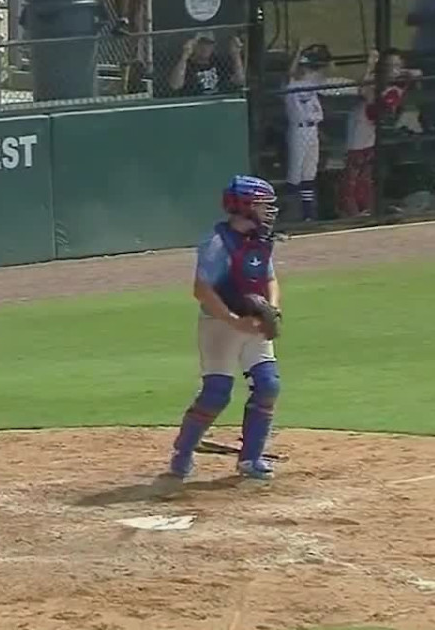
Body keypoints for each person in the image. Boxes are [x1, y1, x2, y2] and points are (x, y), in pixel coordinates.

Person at [151, 175, 282, 497]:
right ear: (244, 207)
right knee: (217, 393)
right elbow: (202, 289)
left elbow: (271, 279)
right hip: (218, 325)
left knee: (268, 385)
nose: (269, 212)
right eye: (263, 205)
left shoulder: (260, 240)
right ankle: (182, 453)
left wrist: (272, 310)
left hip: (252, 325)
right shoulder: (216, 243)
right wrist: (233, 320)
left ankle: (250, 458)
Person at [339, 49, 423, 217]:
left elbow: (417, 74)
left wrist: (401, 72)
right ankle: (353, 212)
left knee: (364, 176)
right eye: (390, 66)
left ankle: (364, 210)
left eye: (397, 65)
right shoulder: (380, 81)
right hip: (358, 130)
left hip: (368, 132)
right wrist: (371, 65)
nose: (394, 69)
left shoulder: (396, 88)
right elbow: (363, 88)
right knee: (352, 177)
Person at [284, 43, 332, 221]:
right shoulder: (291, 84)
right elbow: (290, 72)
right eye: (301, 66)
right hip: (298, 130)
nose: (303, 69)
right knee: (295, 172)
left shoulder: (310, 81)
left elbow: (327, 70)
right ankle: (292, 213)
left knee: (309, 172)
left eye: (305, 66)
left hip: (313, 129)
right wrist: (297, 53)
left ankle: (307, 215)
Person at [169, 31, 246, 97]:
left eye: (209, 44)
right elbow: (175, 85)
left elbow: (240, 80)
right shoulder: (186, 65)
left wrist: (236, 55)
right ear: (194, 45)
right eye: (201, 43)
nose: (205, 47)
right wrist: (184, 56)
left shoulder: (219, 62)